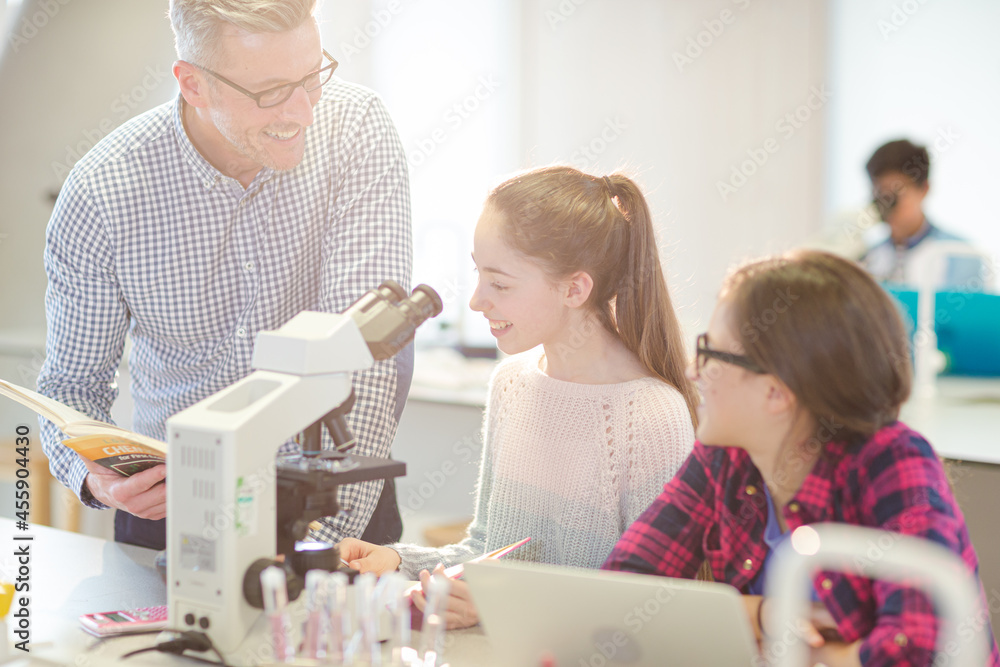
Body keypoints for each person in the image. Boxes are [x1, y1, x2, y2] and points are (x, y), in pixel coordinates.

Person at [36, 0, 413, 550]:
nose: (304, 111)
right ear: (193, 85)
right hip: (174, 515)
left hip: (334, 506)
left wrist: (319, 544)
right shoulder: (104, 192)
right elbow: (72, 390)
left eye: (312, 78)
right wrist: (96, 479)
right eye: (270, 92)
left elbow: (367, 355)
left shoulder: (355, 131)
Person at [339, 166, 698, 628]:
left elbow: (656, 608)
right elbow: (486, 549)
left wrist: (500, 608)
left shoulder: (653, 416)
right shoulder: (511, 383)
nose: (475, 300)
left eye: (500, 283)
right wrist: (395, 559)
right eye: (478, 273)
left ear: (575, 288)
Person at [603, 250, 1000, 667]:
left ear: (776, 392)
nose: (692, 372)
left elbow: (916, 650)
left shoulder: (893, 461)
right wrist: (773, 615)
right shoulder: (725, 455)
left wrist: (811, 651)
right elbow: (623, 593)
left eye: (711, 353)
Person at [862, 138, 986, 289]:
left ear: (924, 189)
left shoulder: (959, 255)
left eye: (896, 191)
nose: (887, 204)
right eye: (880, 193)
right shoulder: (867, 257)